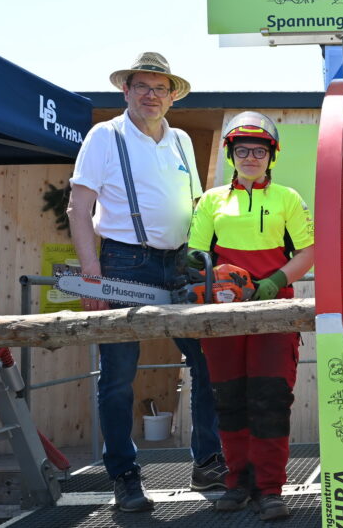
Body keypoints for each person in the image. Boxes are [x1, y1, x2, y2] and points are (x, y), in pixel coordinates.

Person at [66, 52, 225, 512]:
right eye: (143, 87)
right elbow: (79, 207)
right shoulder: (104, 136)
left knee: (207, 360)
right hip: (121, 263)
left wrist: (205, 264)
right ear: (126, 91)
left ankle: (208, 461)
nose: (152, 96)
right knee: (118, 374)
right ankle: (124, 476)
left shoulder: (178, 141)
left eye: (161, 88)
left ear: (172, 95)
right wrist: (91, 272)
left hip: (180, 264)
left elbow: (197, 206)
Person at [187, 112, 314, 522]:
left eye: (259, 150)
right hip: (222, 313)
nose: (251, 157)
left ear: (271, 156)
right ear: (231, 155)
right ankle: (237, 482)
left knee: (270, 399)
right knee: (229, 400)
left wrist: (276, 280)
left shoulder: (288, 199)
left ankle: (270, 488)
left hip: (277, 312)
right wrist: (214, 277)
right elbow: (195, 255)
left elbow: (309, 251)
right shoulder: (211, 201)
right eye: (242, 150)